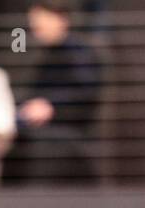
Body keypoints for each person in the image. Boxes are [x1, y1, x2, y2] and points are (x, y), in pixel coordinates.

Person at [7, 0, 102, 184]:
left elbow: (85, 93)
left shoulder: (79, 53)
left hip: (66, 132)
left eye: (40, 23)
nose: (36, 30)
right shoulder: (48, 55)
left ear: (61, 20)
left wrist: (51, 106)